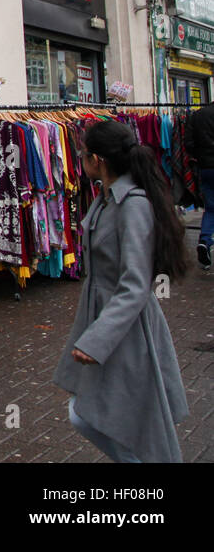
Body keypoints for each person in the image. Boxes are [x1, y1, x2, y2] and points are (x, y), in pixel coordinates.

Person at [53, 119, 190, 462]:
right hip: (107, 320)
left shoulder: (133, 204)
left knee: (97, 414)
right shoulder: (107, 198)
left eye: (83, 154)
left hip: (126, 328)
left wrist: (98, 338)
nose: (80, 160)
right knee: (93, 412)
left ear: (97, 160)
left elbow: (135, 284)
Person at [186, 99, 214, 270]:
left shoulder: (198, 115)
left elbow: (188, 144)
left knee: (211, 208)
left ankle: (204, 240)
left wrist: (201, 157)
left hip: (206, 168)